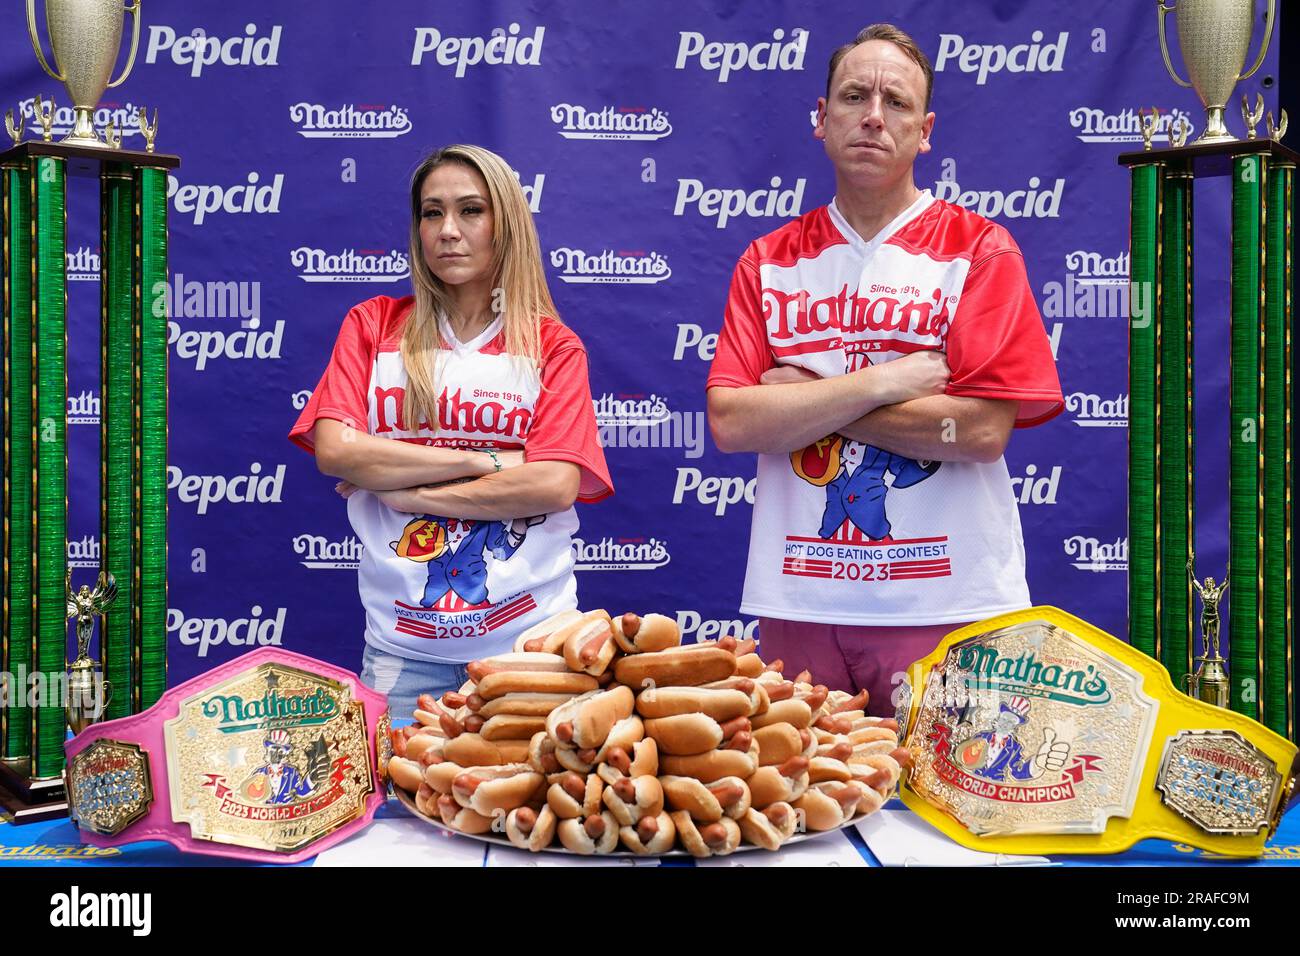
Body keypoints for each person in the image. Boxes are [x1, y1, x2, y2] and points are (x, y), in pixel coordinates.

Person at [706, 24, 1063, 716]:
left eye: (896, 102)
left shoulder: (980, 249)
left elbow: (983, 431)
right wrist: (885, 382)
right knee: (805, 817)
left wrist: (807, 401)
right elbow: (730, 420)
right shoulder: (769, 259)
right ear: (822, 117)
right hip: (800, 601)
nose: (873, 115)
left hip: (948, 602)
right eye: (854, 95)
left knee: (946, 822)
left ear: (925, 131)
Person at [288, 144, 612, 717]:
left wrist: (405, 493)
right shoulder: (374, 325)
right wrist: (482, 459)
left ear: (504, 222)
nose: (447, 231)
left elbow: (553, 485)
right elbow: (336, 450)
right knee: (396, 801)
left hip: (531, 645)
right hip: (400, 652)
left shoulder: (553, 347)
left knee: (521, 806)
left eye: (470, 210)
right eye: (432, 212)